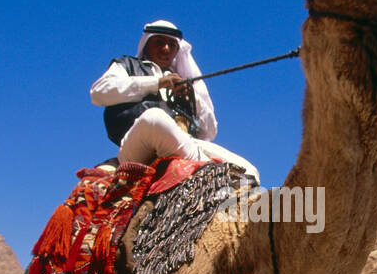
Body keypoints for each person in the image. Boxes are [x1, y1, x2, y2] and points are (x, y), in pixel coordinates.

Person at [90, 20, 260, 182]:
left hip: (182, 144)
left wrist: (193, 98)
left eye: (172, 45)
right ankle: (206, 170)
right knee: (154, 118)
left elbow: (210, 132)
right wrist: (156, 83)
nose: (166, 48)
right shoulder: (127, 65)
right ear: (147, 44)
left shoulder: (182, 81)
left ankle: (205, 168)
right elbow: (99, 92)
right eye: (160, 42)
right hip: (139, 145)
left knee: (249, 170)